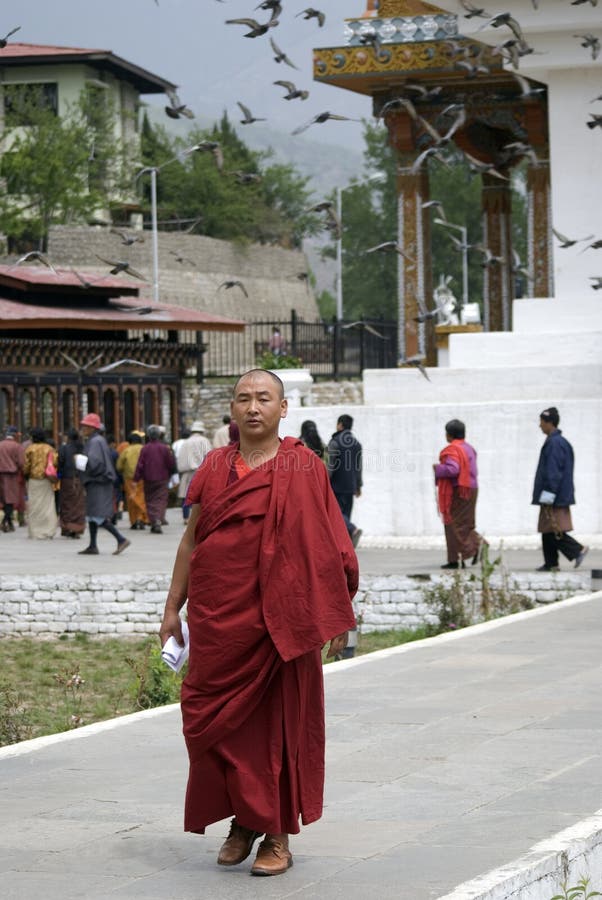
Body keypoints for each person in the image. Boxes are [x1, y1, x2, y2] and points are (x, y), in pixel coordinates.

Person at [159, 369, 357, 877]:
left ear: (283, 408)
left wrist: (330, 616)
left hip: (280, 624)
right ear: (232, 409)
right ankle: (242, 822)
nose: (252, 407)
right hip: (218, 617)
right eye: (243, 398)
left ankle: (276, 835)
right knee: (214, 723)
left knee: (276, 727)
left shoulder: (303, 466)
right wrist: (170, 608)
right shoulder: (215, 465)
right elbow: (190, 541)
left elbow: (328, 544)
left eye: (263, 398)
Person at [532, 406, 588, 572]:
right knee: (547, 528)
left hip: (553, 495)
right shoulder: (559, 442)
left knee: (554, 528)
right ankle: (551, 563)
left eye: (541, 422)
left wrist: (548, 494)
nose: (540, 425)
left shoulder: (555, 444)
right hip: (557, 493)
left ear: (549, 423)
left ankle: (577, 550)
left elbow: (553, 472)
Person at [77, 413, 130, 556]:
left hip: (98, 482)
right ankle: (93, 545)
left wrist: (80, 461)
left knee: (98, 515)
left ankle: (121, 539)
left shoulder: (95, 442)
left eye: (85, 426)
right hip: (97, 482)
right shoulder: (97, 440)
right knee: (92, 514)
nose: (83, 428)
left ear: (91, 428)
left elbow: (95, 463)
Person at [434, 419, 483, 570]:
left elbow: (453, 469)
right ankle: (460, 556)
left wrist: (438, 468)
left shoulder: (452, 449)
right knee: (464, 523)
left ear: (449, 435)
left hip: (459, 490)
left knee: (453, 523)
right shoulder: (469, 448)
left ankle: (467, 552)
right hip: (471, 488)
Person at [327, 414, 363, 548]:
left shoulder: (335, 442)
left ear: (340, 424)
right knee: (346, 513)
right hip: (351, 485)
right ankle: (346, 543)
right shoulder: (356, 444)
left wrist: (325, 482)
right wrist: (358, 485)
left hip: (337, 485)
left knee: (337, 513)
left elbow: (330, 465)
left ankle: (352, 529)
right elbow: (359, 467)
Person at [133, 425, 176, 534]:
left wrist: (136, 479)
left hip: (148, 478)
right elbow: (170, 463)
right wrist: (171, 474)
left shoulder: (145, 448)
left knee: (150, 500)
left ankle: (154, 520)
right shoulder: (164, 448)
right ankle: (157, 520)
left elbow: (140, 465)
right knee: (161, 499)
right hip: (162, 478)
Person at [22, 427, 58, 540]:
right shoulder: (50, 449)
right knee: (47, 505)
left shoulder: (29, 449)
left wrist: (26, 476)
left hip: (33, 480)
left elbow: (26, 466)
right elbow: (55, 463)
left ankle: (35, 532)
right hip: (46, 480)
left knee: (34, 506)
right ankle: (48, 531)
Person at [176, 420, 212, 522]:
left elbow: (181, 458)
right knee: (202, 495)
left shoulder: (186, 442)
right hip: (202, 471)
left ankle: (186, 517)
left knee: (186, 494)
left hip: (188, 472)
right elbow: (210, 456)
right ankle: (200, 517)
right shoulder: (204, 441)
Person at [57, 428, 86, 539]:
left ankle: (67, 527)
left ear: (68, 437)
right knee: (78, 504)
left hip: (67, 479)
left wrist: (58, 475)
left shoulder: (64, 449)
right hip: (80, 479)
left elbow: (59, 463)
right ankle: (77, 528)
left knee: (66, 503)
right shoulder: (82, 448)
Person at [116, 432, 148, 530]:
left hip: (129, 478)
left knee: (131, 499)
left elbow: (119, 466)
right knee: (142, 497)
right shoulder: (144, 449)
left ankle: (134, 520)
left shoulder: (126, 450)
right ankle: (142, 518)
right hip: (143, 478)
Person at [0, 425, 25, 532]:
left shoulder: (0, 445)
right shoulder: (17, 446)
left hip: (0, 474)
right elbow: (21, 462)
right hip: (11, 475)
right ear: (14, 435)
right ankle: (5, 520)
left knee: (4, 498)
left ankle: (9, 522)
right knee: (10, 499)